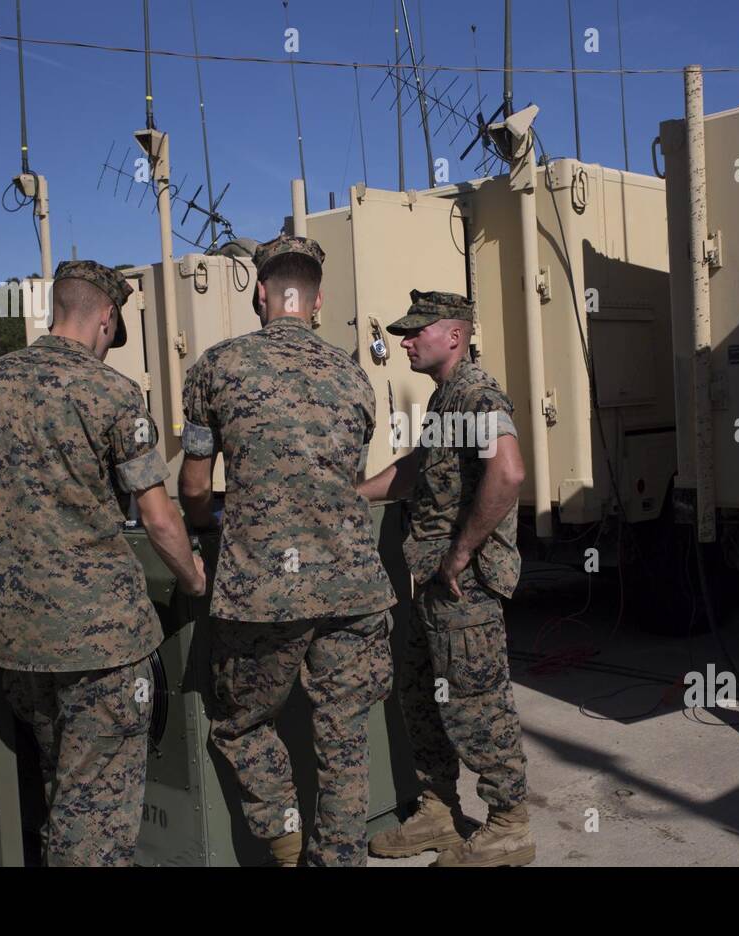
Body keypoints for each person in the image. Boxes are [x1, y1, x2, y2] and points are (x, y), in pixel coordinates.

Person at [0, 260, 205, 866]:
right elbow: (158, 518)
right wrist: (195, 578)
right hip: (100, 648)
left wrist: (10, 541)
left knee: (64, 794)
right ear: (105, 318)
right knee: (96, 817)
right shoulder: (112, 394)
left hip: (13, 642)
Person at [178, 235, 396, 867]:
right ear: (318, 301)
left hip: (262, 592)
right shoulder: (354, 375)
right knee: (343, 736)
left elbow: (195, 487)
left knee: (243, 725)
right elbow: (346, 476)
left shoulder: (216, 368)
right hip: (354, 586)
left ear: (259, 296)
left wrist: (211, 521)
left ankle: (284, 838)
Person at [358, 290, 534, 867]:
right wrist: (353, 495)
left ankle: (509, 825)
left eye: (417, 332)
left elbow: (507, 473)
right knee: (420, 692)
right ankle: (437, 810)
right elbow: (415, 470)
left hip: (465, 588)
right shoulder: (445, 401)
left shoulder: (477, 395)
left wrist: (461, 552)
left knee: (477, 704)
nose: (405, 341)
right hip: (433, 584)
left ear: (453, 335)